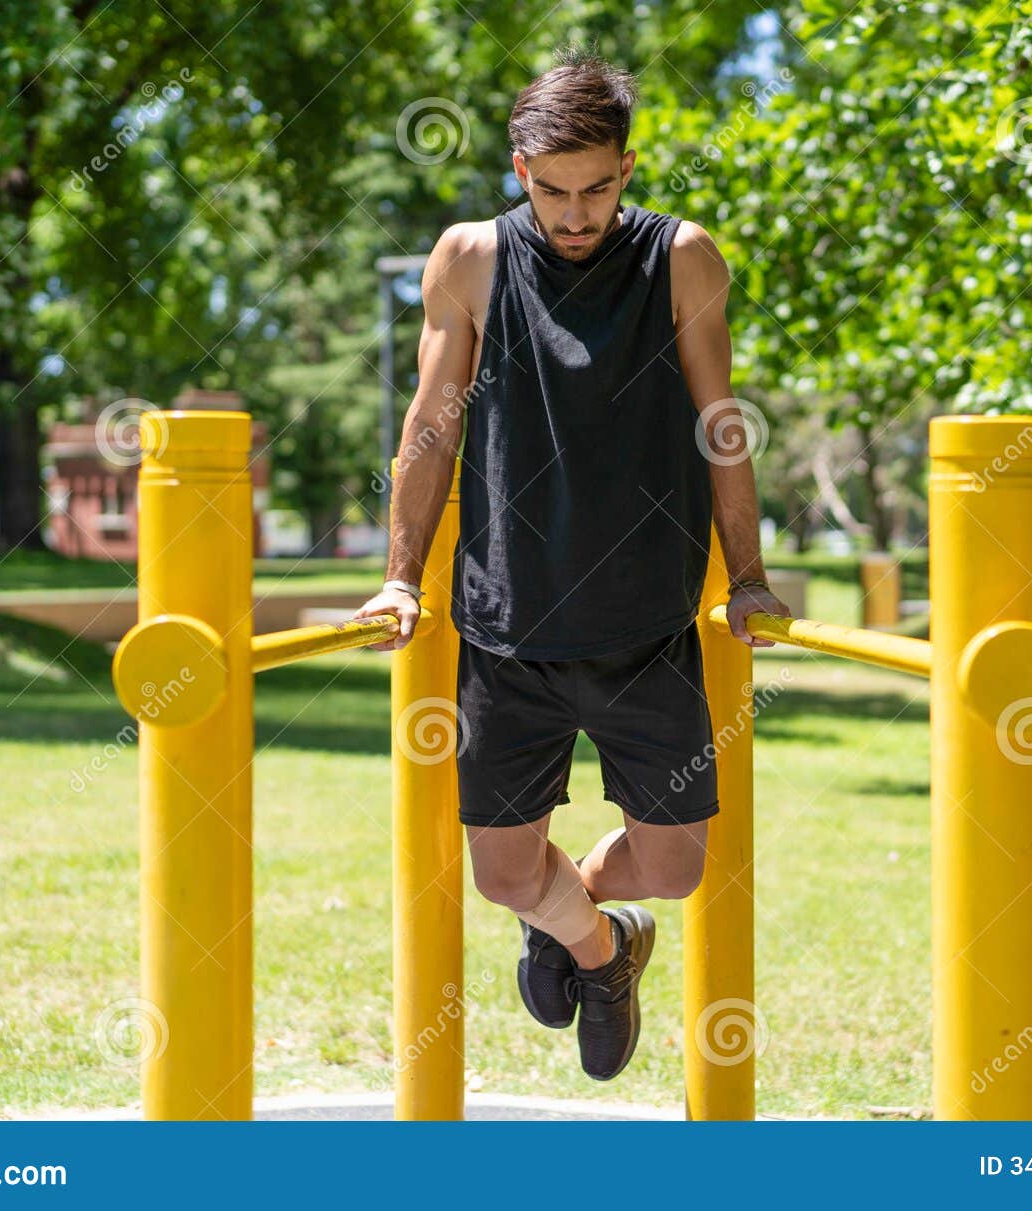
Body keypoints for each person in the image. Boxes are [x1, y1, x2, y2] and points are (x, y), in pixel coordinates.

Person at [352, 49, 788, 1082]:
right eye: (551, 189)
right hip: (511, 629)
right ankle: (599, 946)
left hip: (647, 623)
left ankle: (588, 922)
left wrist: (750, 573)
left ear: (626, 169)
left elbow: (720, 424)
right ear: (517, 169)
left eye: (596, 187)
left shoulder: (681, 258)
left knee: (674, 867)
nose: (575, 212)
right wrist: (400, 574)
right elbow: (428, 429)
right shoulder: (470, 259)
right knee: (503, 876)